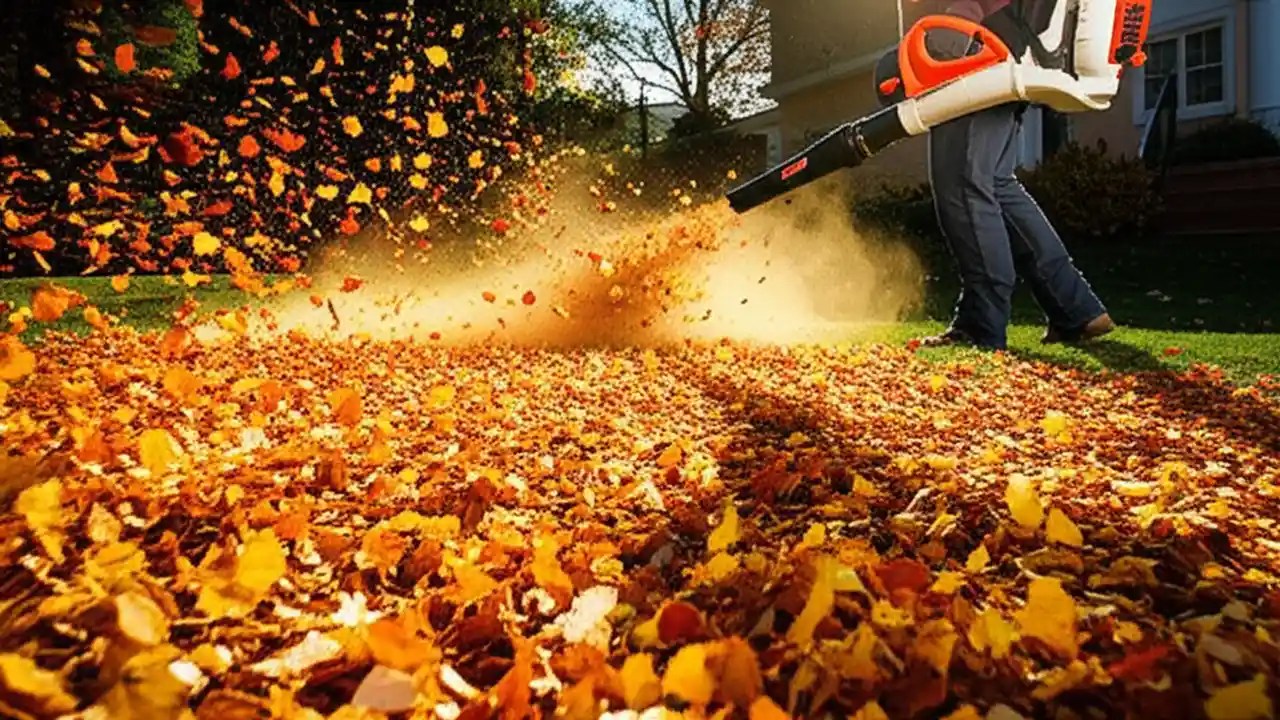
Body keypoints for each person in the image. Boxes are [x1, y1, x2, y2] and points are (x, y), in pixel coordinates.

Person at [919, 0, 1115, 349]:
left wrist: (953, 29)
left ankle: (981, 324)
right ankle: (1074, 309)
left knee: (964, 185)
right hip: (1010, 49)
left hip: (976, 51)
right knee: (995, 184)